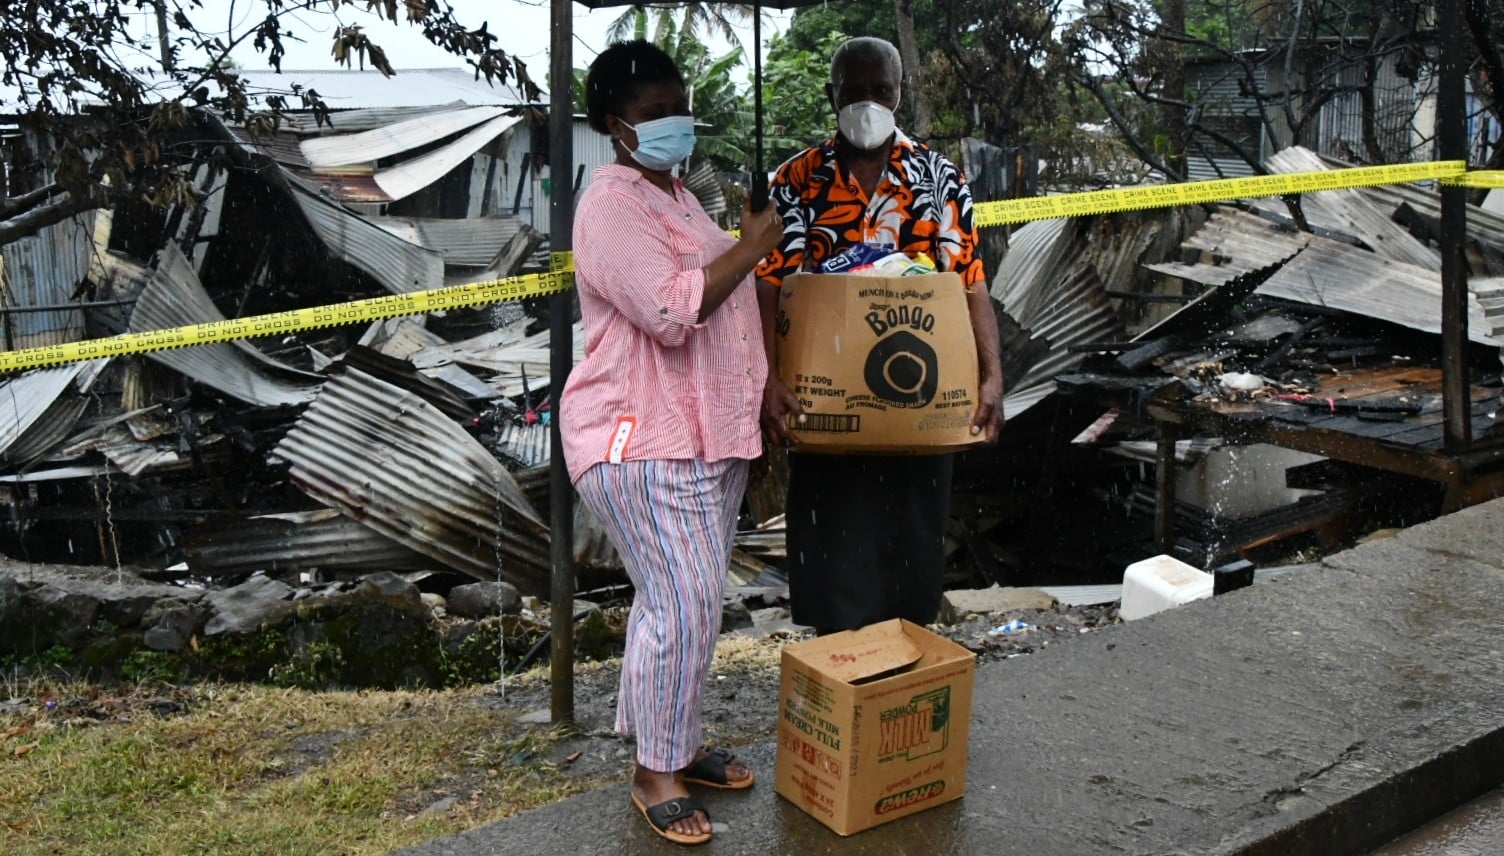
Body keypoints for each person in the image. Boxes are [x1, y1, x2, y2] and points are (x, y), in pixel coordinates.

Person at [560, 40, 783, 846]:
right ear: (614, 125)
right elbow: (671, 309)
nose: (674, 123)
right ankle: (655, 771)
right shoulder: (610, 204)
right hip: (642, 439)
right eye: (654, 113)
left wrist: (762, 395)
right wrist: (751, 245)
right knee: (683, 605)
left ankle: (674, 745)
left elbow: (732, 308)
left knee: (683, 605)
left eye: (679, 108)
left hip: (706, 437)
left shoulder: (681, 197)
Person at [756, 36, 1005, 635]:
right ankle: (839, 666)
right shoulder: (795, 181)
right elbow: (766, 286)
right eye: (853, 90)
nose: (866, 102)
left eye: (880, 90)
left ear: (901, 94)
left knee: (910, 552)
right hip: (826, 408)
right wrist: (766, 378)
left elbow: (970, 282)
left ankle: (905, 664)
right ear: (831, 95)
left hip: (918, 404)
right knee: (833, 558)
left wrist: (993, 375)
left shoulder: (939, 179)